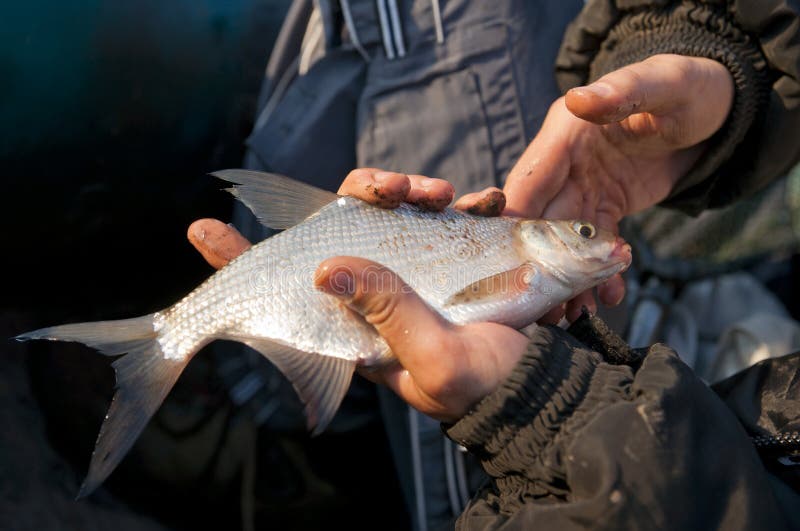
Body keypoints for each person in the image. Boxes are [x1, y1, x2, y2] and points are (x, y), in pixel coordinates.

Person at [189, 0, 800, 528]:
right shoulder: (530, 247)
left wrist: (546, 403)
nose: (601, 241)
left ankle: (255, 401)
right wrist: (729, 80)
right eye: (583, 233)